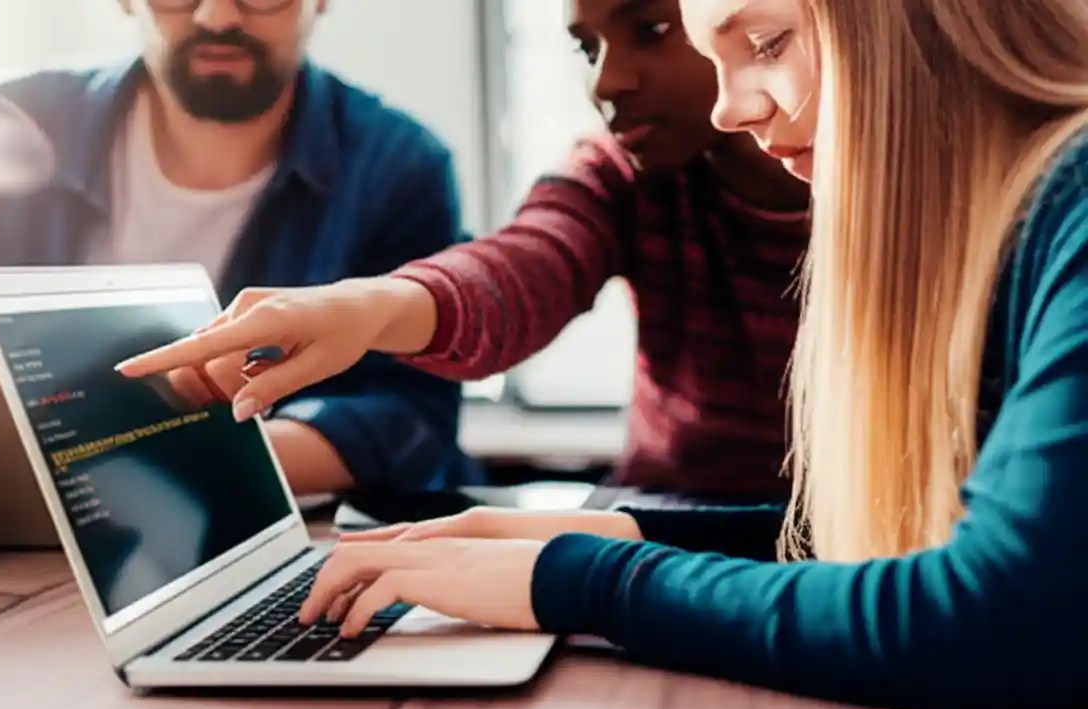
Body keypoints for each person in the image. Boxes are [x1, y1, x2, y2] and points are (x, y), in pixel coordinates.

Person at [120, 0, 1088, 709]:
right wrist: (613, 533)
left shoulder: (1060, 208)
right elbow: (525, 266)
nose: (728, 106)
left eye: (764, 42)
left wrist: (578, 577)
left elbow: (998, 618)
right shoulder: (977, 210)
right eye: (587, 47)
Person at [127, 0, 814, 555]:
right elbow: (521, 268)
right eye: (587, 49)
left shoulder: (873, 193)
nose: (607, 82)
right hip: (660, 531)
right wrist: (372, 307)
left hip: (827, 552)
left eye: (651, 31)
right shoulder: (618, 173)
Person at [0, 0, 481, 495]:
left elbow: (410, 418)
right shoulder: (11, 125)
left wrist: (158, 463)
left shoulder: (398, 167)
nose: (217, 15)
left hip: (257, 531)